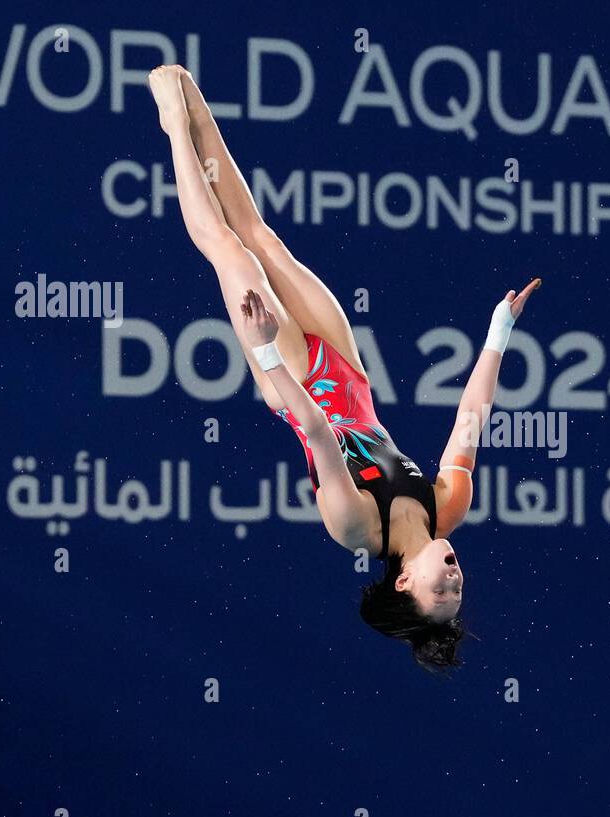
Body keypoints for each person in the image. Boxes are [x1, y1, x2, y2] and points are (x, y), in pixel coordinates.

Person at [148, 65, 539, 667]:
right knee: (263, 237)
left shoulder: (355, 529)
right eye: (460, 591)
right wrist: (499, 332)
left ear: (404, 583)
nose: (455, 581)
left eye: (443, 591)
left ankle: (174, 128)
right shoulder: (449, 507)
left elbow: (318, 434)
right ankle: (197, 107)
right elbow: (469, 422)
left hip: (299, 386)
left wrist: (266, 351)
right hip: (349, 374)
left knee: (230, 252)